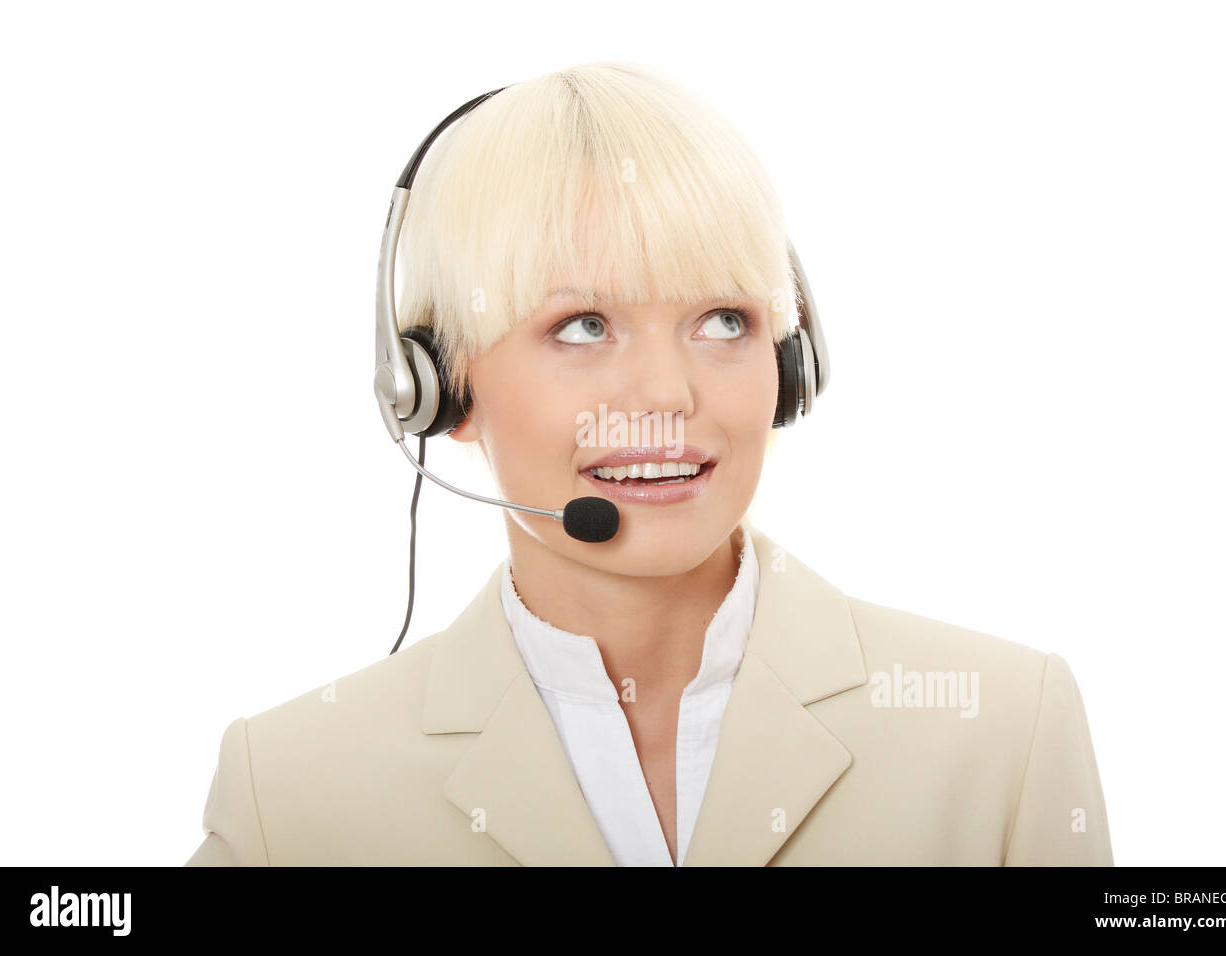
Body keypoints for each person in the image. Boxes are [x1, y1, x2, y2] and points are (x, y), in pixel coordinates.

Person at [185, 61, 1112, 866]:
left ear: (789, 367)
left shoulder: (1001, 735)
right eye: (583, 326)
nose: (667, 392)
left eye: (724, 321)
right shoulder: (294, 793)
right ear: (441, 390)